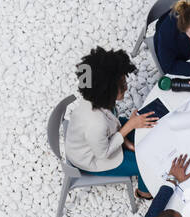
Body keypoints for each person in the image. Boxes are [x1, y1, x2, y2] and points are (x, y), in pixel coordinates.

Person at [65, 47, 157, 200]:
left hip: (102, 136)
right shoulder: (95, 123)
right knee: (145, 162)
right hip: (93, 159)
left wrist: (126, 138)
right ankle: (144, 192)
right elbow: (104, 154)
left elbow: (112, 121)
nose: (126, 87)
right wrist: (128, 127)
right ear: (106, 91)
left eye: (124, 80)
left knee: (145, 127)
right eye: (121, 85)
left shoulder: (96, 98)